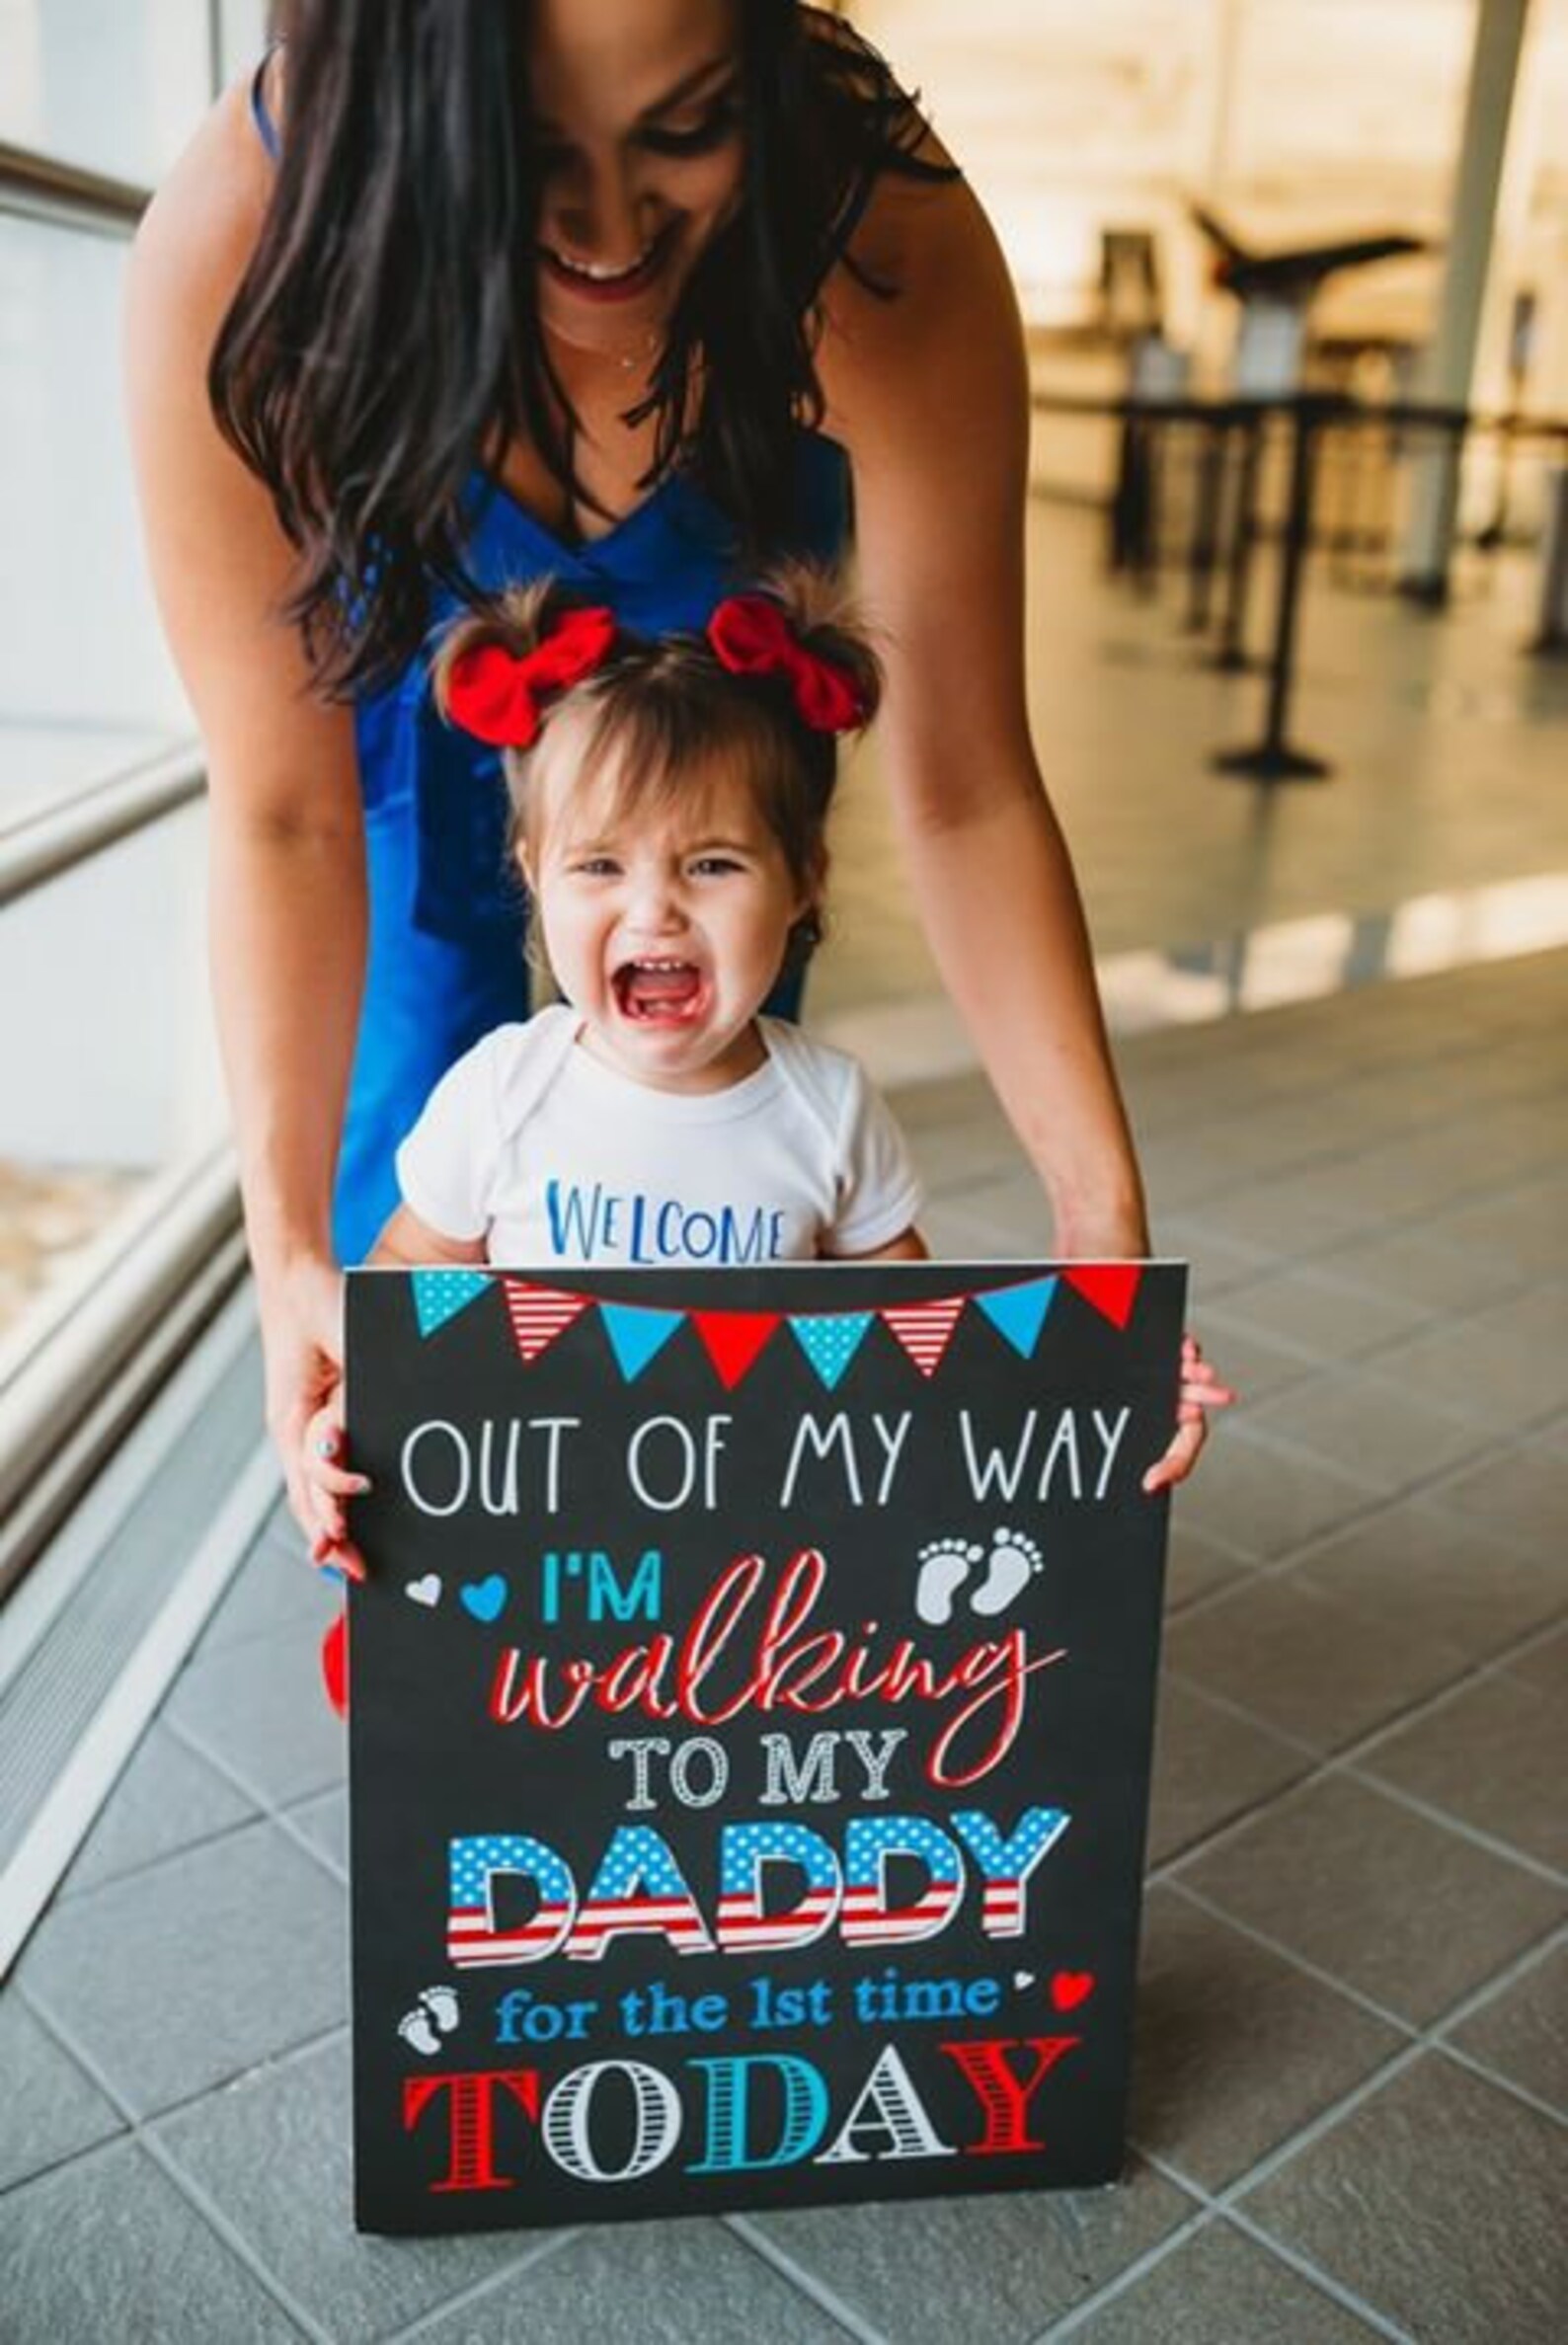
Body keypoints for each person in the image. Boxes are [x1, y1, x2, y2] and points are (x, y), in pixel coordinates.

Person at [124, 0, 1230, 1556]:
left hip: (719, 689)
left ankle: (699, 1621)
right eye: (525, 155)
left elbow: (965, 781)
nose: (605, 228)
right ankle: (479, 1650)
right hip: (391, 747)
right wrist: (291, 1255)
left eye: (685, 130)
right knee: (422, 1172)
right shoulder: (240, 245)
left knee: (716, 1128)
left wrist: (1099, 1217)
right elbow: (285, 809)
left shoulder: (884, 237)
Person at [302, 566, 928, 1572]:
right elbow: (410, 1273)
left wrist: (1098, 1378)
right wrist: (351, 1402)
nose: (653, 911)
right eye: (600, 865)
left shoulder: (827, 1108)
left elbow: (915, 1332)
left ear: (804, 881)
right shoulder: (503, 1091)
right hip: (539, 1549)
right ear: (531, 873)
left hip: (750, 1553)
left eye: (712, 863)